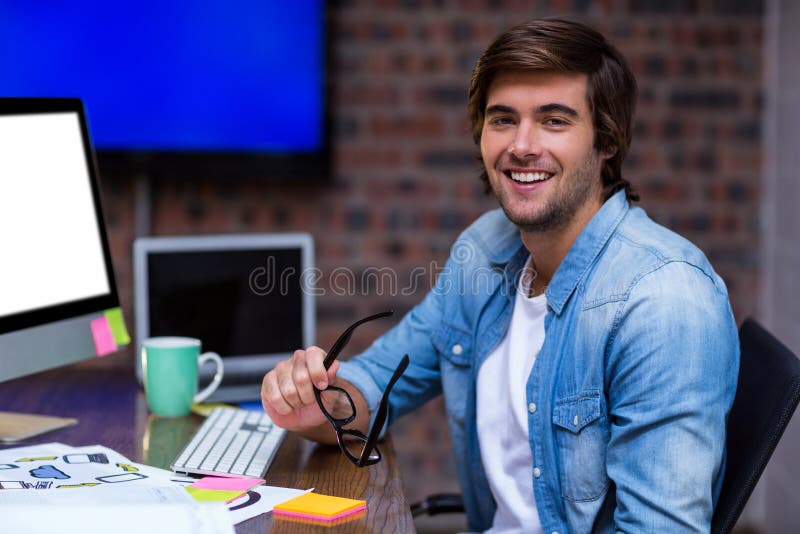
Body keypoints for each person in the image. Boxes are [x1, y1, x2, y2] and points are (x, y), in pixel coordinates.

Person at [261, 18, 739, 533]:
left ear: (606, 143)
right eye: (503, 119)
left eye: (554, 120)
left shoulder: (664, 300)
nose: (522, 145)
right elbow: (379, 381)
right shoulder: (486, 252)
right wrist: (317, 401)